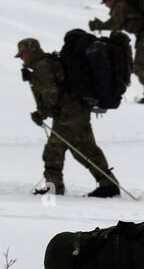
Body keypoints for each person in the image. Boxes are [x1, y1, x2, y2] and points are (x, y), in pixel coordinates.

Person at [17, 38, 119, 197]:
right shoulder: (47, 63)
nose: (22, 58)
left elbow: (52, 96)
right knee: (85, 149)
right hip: (77, 110)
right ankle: (108, 184)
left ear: (31, 51)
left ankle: (54, 187)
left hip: (68, 114)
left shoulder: (42, 67)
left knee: (53, 151)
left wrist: (41, 114)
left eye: (22, 55)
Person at [89, 0, 144, 104]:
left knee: (140, 67)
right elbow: (120, 24)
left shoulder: (120, 6)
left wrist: (99, 26)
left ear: (111, 0)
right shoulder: (124, 6)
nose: (106, 5)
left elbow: (115, 23)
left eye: (106, 2)